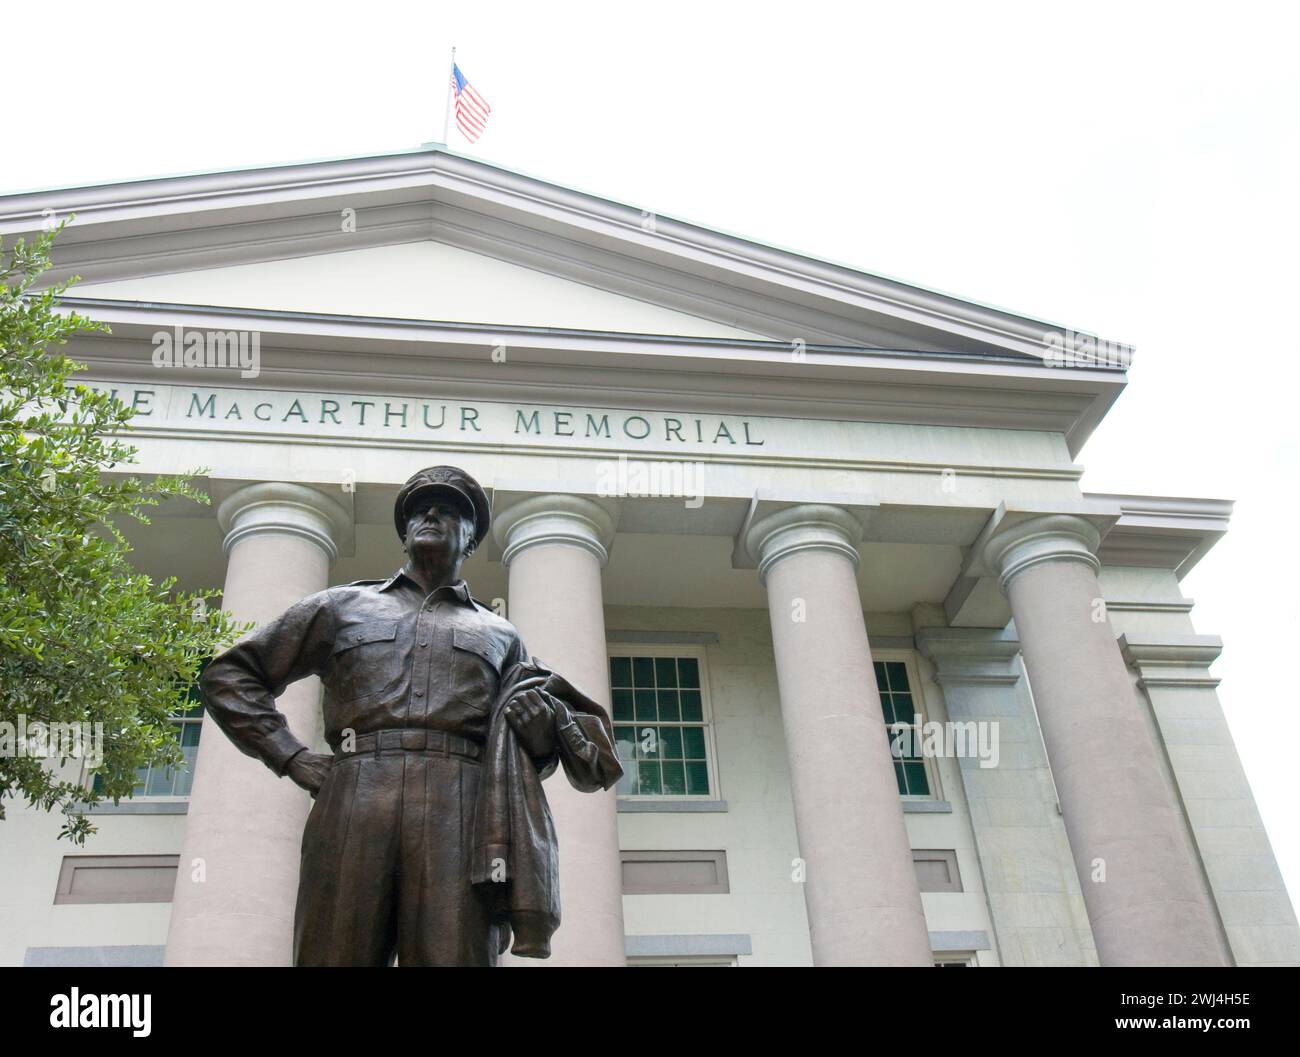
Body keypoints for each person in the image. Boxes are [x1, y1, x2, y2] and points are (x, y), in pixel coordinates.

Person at [199, 465, 619, 965]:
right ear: (403, 532)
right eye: (420, 509)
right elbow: (229, 675)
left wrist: (542, 734)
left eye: (449, 509)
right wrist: (291, 757)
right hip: (355, 793)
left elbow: (535, 751)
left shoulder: (501, 634)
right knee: (334, 953)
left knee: (455, 956)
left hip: (461, 804)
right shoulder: (341, 606)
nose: (432, 514)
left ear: (471, 539)